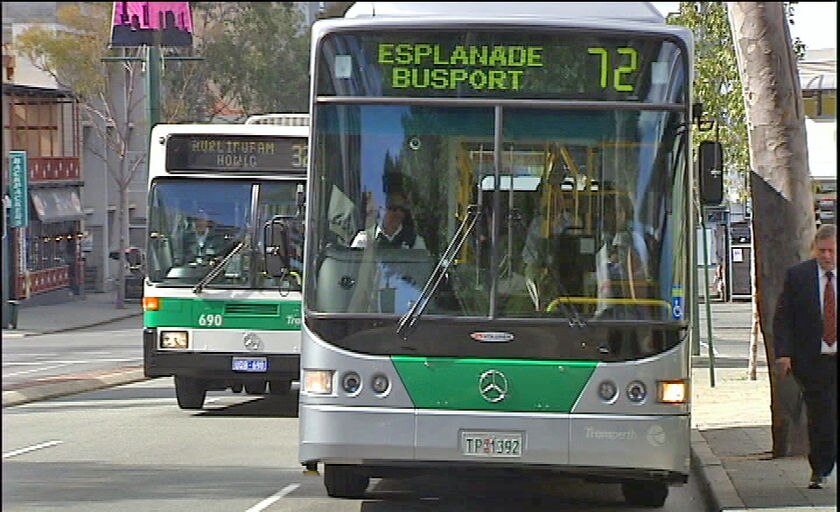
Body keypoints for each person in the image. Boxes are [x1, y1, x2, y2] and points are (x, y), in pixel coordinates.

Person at [773, 223, 836, 489]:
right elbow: (783, 317)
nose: (827, 256)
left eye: (832, 251)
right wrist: (784, 354)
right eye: (822, 250)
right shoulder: (798, 277)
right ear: (814, 250)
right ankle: (819, 468)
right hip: (814, 360)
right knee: (821, 416)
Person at [351, 191, 427, 250]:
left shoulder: (415, 241)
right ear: (382, 209)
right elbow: (354, 267)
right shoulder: (365, 238)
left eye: (402, 209)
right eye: (393, 208)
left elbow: (423, 268)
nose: (398, 213)